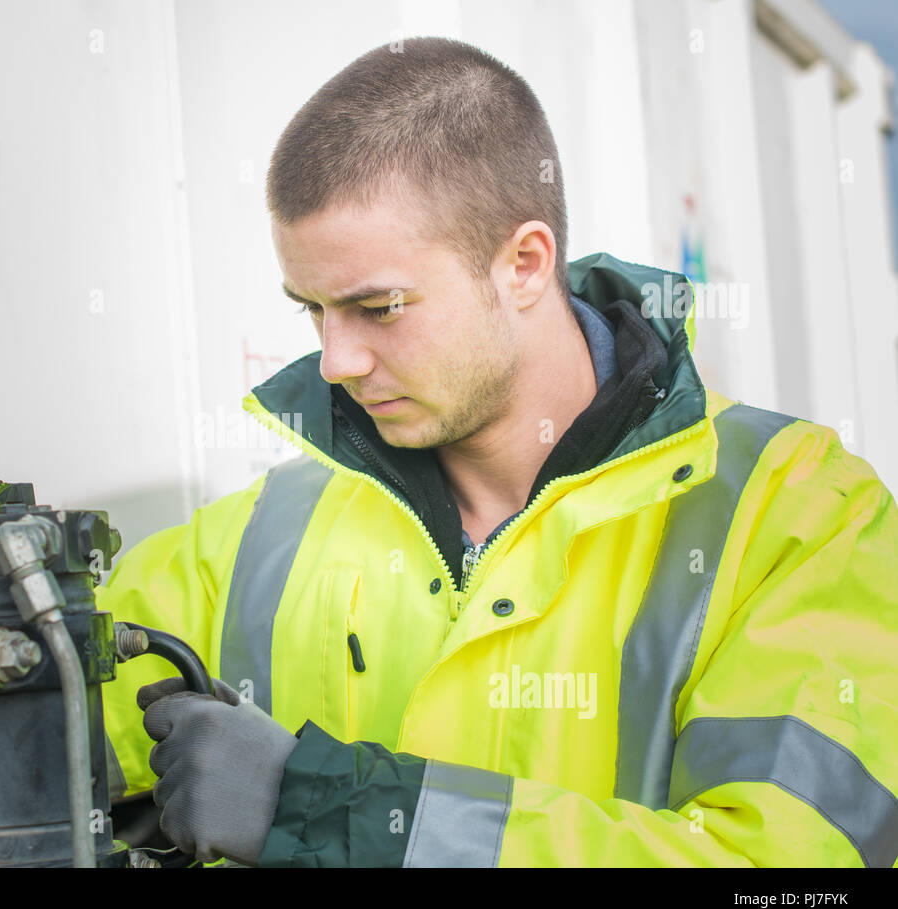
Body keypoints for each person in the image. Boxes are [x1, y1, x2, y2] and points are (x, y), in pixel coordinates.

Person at [95, 36, 898, 867]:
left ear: (523, 263)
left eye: (379, 307)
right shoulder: (256, 540)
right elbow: (37, 714)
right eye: (313, 309)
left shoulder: (800, 516)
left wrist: (322, 811)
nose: (336, 362)